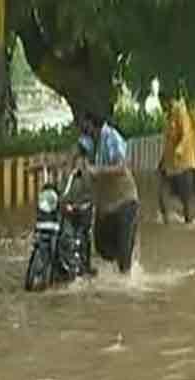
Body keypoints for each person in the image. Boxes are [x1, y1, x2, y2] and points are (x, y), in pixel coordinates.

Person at [81, 112, 141, 274]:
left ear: (93, 124)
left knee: (123, 254)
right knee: (102, 248)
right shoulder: (88, 140)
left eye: (85, 124)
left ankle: (126, 280)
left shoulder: (111, 137)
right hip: (106, 205)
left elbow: (121, 167)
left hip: (124, 201)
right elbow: (72, 157)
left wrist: (97, 171)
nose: (82, 127)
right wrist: (46, 164)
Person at [158, 93, 195, 224]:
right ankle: (166, 220)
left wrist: (179, 150)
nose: (161, 106)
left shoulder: (180, 112)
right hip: (170, 163)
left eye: (162, 102)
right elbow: (168, 141)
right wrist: (162, 160)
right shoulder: (169, 116)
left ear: (168, 100)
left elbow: (186, 134)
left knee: (185, 199)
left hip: (184, 163)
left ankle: (188, 224)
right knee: (161, 190)